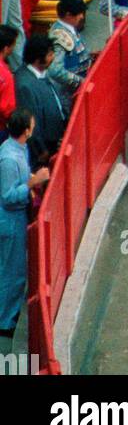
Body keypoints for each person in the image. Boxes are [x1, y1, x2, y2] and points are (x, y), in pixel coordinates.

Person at [0, 107, 49, 338]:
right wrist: (31, 184)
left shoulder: (17, 148)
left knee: (13, 270)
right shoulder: (9, 158)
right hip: (10, 221)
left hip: (15, 218)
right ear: (27, 131)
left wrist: (28, 180)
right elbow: (8, 197)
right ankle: (5, 322)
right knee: (12, 271)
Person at [14, 35, 66, 163]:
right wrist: (41, 150)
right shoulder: (25, 85)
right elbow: (31, 122)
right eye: (49, 55)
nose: (53, 57)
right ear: (38, 59)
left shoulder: (40, 72)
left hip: (56, 136)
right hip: (46, 146)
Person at [46, 0, 91, 113]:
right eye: (79, 13)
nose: (82, 16)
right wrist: (80, 81)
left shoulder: (69, 28)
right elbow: (55, 70)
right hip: (67, 93)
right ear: (68, 15)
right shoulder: (60, 36)